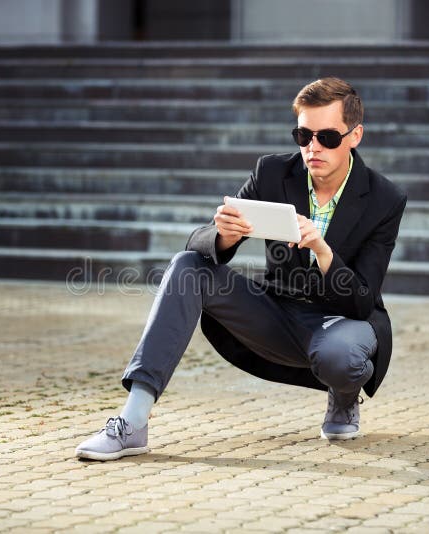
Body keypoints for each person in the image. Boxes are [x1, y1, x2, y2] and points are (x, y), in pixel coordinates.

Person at [75, 77, 407, 461]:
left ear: (355, 135)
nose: (313, 148)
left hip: (341, 322)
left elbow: (363, 299)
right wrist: (224, 236)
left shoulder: (385, 199)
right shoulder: (272, 173)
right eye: (303, 136)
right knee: (187, 268)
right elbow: (199, 243)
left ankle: (344, 397)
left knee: (341, 357)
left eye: (328, 138)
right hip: (278, 315)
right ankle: (132, 422)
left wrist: (322, 249)